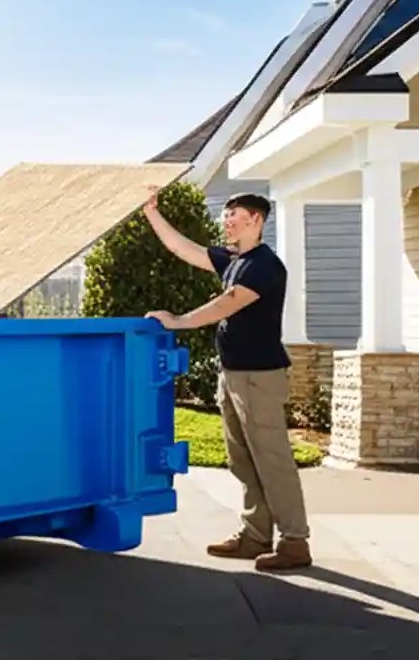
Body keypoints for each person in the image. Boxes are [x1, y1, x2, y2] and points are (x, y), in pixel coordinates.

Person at [141, 186, 312, 572]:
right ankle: (255, 535)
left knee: (272, 461)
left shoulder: (264, 265)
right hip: (234, 373)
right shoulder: (235, 259)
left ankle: (294, 541)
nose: (226, 222)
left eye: (232, 216)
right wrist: (152, 212)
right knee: (243, 461)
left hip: (259, 377)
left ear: (255, 219)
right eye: (225, 216)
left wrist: (179, 321)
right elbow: (184, 249)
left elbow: (228, 303)